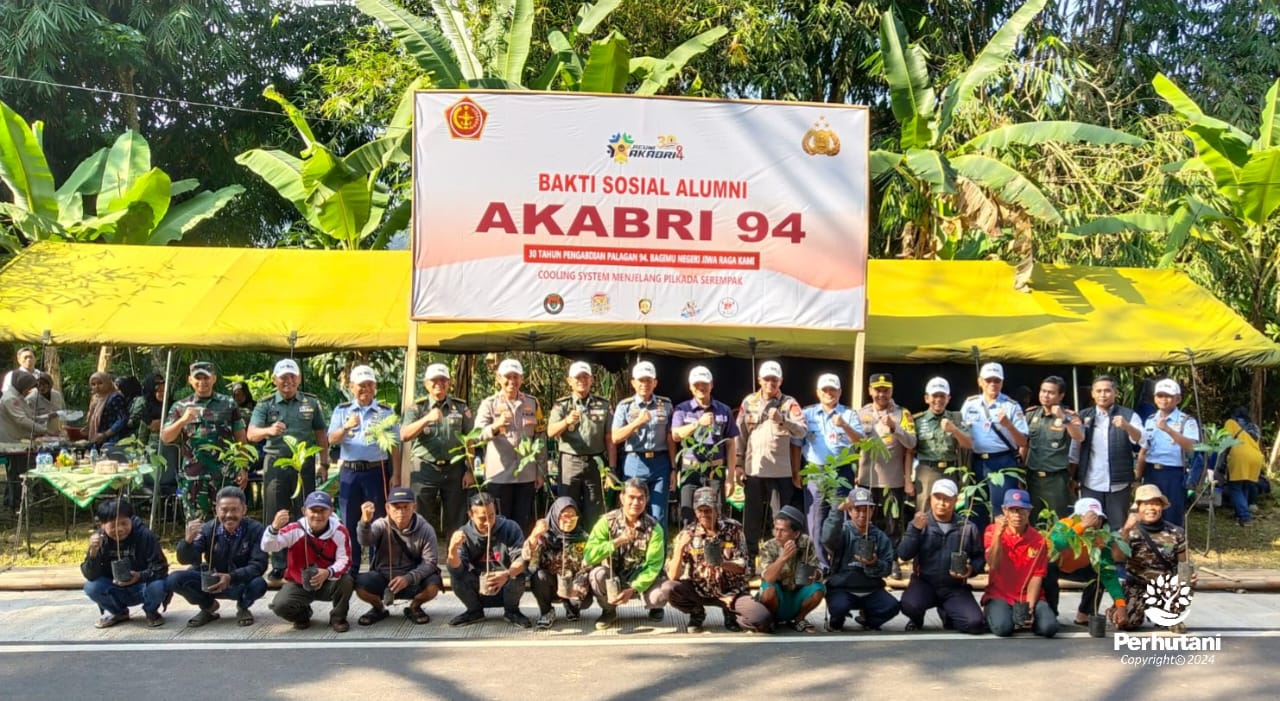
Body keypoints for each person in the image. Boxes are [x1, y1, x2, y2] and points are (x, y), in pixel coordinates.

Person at [248, 358, 331, 584]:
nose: (288, 381)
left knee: (306, 511)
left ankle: (305, 560)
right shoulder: (265, 404)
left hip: (303, 463)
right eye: (283, 377)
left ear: (299, 379)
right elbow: (251, 434)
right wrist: (269, 430)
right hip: (276, 463)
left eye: (292, 377)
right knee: (277, 512)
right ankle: (279, 564)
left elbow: (320, 433)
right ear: (275, 380)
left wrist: (324, 463)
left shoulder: (310, 402)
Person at [662, 486, 769, 633]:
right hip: (700, 589)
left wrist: (721, 563)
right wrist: (680, 547)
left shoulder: (734, 529)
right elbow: (673, 576)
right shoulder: (688, 533)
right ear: (695, 511)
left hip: (732, 591)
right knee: (668, 588)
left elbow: (744, 567)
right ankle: (696, 612)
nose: (704, 514)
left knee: (761, 619)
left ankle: (731, 613)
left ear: (717, 509)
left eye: (708, 510)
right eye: (700, 510)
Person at [327, 364, 400, 576]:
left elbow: (395, 445)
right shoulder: (342, 410)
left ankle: (378, 568)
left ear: (375, 387)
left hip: (377, 472)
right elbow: (331, 439)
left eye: (369, 384)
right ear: (351, 387)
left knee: (378, 521)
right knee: (349, 520)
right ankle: (352, 568)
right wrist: (346, 427)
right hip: (350, 472)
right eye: (361, 385)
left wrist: (396, 474)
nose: (365, 389)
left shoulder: (385, 412)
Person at [736, 360, 807, 565]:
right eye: (767, 379)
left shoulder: (789, 403)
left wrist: (783, 420)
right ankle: (749, 559)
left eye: (774, 379)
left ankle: (779, 561)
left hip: (780, 472)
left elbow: (802, 430)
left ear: (781, 380)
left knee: (781, 520)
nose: (770, 383)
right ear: (759, 379)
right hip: (754, 469)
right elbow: (740, 434)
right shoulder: (749, 402)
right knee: (752, 518)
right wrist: (738, 464)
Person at [161, 361, 249, 521]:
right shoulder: (180, 406)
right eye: (198, 378)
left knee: (227, 522)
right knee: (196, 525)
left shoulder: (228, 404)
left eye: (206, 378)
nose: (202, 382)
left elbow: (241, 438)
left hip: (223, 475)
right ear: (190, 380)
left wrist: (242, 467)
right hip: (193, 476)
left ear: (214, 379)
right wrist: (183, 420)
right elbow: (166, 437)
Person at [169, 486, 268, 627]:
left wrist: (231, 577)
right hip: (211, 581)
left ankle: (243, 606)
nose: (229, 515)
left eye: (234, 510)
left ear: (244, 510)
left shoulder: (256, 529)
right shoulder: (207, 529)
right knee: (174, 579)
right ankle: (208, 607)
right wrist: (187, 542)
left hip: (239, 581)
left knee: (259, 584)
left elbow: (259, 565)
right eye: (224, 510)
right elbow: (187, 559)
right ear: (216, 510)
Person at [897, 479, 986, 634]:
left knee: (975, 624)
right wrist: (915, 531)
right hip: (925, 584)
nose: (941, 503)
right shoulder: (920, 523)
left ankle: (948, 612)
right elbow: (904, 554)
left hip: (955, 587)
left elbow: (979, 558)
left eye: (947, 499)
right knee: (909, 605)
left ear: (955, 500)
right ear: (931, 498)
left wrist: (970, 569)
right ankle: (917, 618)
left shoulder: (967, 527)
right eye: (937, 498)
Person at [261, 491, 355, 632]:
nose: (317, 515)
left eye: (322, 510)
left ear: (331, 511)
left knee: (346, 581)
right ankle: (302, 615)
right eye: (313, 510)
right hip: (299, 582)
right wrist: (274, 528)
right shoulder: (294, 529)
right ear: (304, 511)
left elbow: (345, 560)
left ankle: (338, 618)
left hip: (328, 581)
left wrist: (328, 572)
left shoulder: (340, 531)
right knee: (280, 605)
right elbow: (268, 547)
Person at [401, 362, 474, 539]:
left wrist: (470, 470)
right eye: (434, 380)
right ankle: (419, 553)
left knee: (457, 519)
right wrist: (426, 419)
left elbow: (470, 440)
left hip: (454, 470)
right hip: (424, 469)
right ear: (426, 383)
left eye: (443, 380)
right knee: (419, 517)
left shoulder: (461, 407)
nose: (439, 384)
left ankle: (455, 554)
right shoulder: (417, 408)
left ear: (449, 383)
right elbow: (404, 435)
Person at [584, 477, 669, 629]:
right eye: (631, 497)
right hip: (614, 577)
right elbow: (589, 556)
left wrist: (634, 588)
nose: (636, 502)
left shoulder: (655, 528)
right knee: (597, 575)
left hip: (641, 578)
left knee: (660, 593)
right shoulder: (606, 522)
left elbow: (654, 566)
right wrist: (617, 542)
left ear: (646, 500)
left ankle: (655, 607)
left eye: (641, 498)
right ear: (622, 498)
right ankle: (608, 610)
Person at [797, 373, 862, 571]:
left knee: (840, 517)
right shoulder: (807, 414)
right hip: (815, 471)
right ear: (818, 392)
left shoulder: (849, 414)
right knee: (815, 519)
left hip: (841, 471)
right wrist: (796, 471)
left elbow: (860, 442)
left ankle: (840, 563)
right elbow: (796, 443)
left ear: (840, 392)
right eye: (825, 390)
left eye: (833, 389)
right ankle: (820, 565)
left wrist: (844, 425)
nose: (829, 393)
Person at [354, 486, 442, 626]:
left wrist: (408, 578)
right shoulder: (381, 524)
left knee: (434, 584)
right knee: (360, 584)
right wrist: (365, 523)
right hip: (383, 577)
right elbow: (365, 541)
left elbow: (430, 562)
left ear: (414, 507)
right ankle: (378, 608)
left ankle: (415, 606)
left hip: (413, 578)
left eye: (406, 507)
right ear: (387, 508)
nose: (401, 512)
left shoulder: (426, 529)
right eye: (396, 507)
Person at [475, 357, 545, 533]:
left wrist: (540, 471)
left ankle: (520, 551)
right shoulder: (489, 404)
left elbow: (540, 437)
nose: (511, 381)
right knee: (499, 523)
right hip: (499, 475)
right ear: (498, 378)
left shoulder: (533, 403)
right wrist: (495, 426)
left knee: (523, 523)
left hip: (526, 475)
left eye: (516, 376)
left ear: (522, 379)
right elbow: (476, 435)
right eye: (507, 376)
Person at [1113, 484, 1195, 632]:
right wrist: (1126, 529)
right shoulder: (1128, 531)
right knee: (1127, 624)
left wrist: (1188, 579)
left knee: (1186, 581)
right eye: (1145, 504)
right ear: (1138, 508)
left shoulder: (1176, 532)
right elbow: (1117, 558)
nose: (1151, 508)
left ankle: (1170, 614)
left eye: (1156, 503)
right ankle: (1118, 610)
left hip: (1164, 587)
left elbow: (1184, 562)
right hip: (1136, 586)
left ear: (1162, 507)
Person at [855, 372, 917, 567]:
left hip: (893, 480)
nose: (881, 394)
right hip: (866, 479)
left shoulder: (902, 414)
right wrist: (855, 474)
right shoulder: (861, 413)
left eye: (886, 390)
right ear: (870, 390)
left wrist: (895, 427)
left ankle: (891, 561)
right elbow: (852, 446)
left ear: (891, 391)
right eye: (878, 390)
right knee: (867, 522)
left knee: (893, 523)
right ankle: (867, 559)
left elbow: (912, 443)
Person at [445, 491, 531, 628]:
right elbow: (457, 569)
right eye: (482, 518)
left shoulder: (510, 528)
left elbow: (522, 558)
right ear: (470, 515)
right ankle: (474, 611)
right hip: (478, 586)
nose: (488, 523)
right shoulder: (464, 533)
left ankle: (512, 611)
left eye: (491, 515)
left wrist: (507, 574)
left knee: (518, 573)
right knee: (456, 577)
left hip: (506, 584)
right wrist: (452, 549)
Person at [959, 362, 1028, 531]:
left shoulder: (1011, 406)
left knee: (1002, 510)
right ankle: (978, 546)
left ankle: (1002, 545)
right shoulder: (970, 404)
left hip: (1002, 461)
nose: (992, 384)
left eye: (996, 380)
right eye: (988, 380)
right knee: (975, 509)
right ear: (980, 381)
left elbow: (1023, 442)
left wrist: (1009, 425)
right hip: (976, 462)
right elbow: (961, 433)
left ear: (1002, 383)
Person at [1069, 375, 1143, 530]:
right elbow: (1075, 448)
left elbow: (1141, 440)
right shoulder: (1083, 416)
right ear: (1092, 394)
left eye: (1107, 391)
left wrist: (1127, 426)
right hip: (1090, 481)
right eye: (1099, 391)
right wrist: (1073, 476)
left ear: (1115, 393)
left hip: (1118, 483)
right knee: (1090, 527)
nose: (1103, 394)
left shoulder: (1128, 415)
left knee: (1118, 528)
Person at [81, 499, 169, 628]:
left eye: (124, 523)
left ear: (131, 519)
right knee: (91, 587)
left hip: (143, 586)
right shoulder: (99, 540)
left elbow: (161, 567)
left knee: (159, 585)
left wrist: (139, 576)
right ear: (102, 525)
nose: (120, 529)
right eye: (113, 526)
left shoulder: (144, 535)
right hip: (115, 587)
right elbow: (90, 575)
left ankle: (151, 611)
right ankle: (119, 613)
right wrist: (93, 553)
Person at [822, 487, 900, 631]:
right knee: (839, 607)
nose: (862, 515)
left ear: (873, 511)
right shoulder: (843, 532)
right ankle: (836, 620)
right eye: (857, 510)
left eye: (867, 510)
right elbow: (827, 539)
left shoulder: (880, 536)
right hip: (843, 588)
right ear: (849, 511)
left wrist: (874, 564)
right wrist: (837, 512)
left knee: (892, 607)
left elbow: (887, 568)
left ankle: (869, 620)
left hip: (871, 589)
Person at [548, 361, 615, 527]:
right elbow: (551, 432)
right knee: (567, 506)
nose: (582, 380)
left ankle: (593, 540)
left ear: (592, 380)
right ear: (569, 381)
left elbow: (609, 438)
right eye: (577, 377)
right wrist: (566, 421)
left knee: (596, 508)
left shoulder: (604, 404)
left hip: (596, 462)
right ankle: (568, 541)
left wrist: (612, 469)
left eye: (585, 377)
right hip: (570, 462)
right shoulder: (562, 405)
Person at [982, 489, 1056, 638]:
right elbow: (992, 562)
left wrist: (1029, 607)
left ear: (1029, 511)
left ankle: (1034, 618)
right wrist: (998, 534)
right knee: (1003, 629)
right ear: (1004, 510)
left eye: (1022, 510)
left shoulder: (1038, 540)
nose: (1017, 515)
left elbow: (1037, 576)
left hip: (1026, 596)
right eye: (1013, 510)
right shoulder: (991, 531)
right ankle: (994, 613)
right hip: (1000, 594)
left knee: (1049, 628)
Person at [671, 365, 739, 527]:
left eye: (705, 384)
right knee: (689, 517)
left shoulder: (724, 410)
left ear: (712, 385)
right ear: (690, 387)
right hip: (691, 471)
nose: (701, 387)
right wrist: (697, 424)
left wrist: (730, 477)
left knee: (717, 517)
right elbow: (676, 435)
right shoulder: (682, 409)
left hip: (715, 471)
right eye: (697, 384)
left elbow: (731, 445)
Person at [612, 360, 675, 525]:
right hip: (635, 462)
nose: (644, 384)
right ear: (633, 382)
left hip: (660, 463)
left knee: (659, 514)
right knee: (632, 510)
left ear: (655, 383)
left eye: (648, 380)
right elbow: (615, 437)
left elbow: (670, 438)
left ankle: (658, 542)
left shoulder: (666, 404)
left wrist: (673, 468)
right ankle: (631, 541)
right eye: (641, 380)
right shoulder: (625, 406)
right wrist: (637, 422)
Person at [1043, 497, 1124, 625]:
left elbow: (1108, 573)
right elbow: (1057, 544)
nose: (1096, 522)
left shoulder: (1100, 538)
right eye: (1092, 517)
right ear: (1079, 517)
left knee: (1099, 574)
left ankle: (1085, 614)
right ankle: (1051, 614)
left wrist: (1121, 605)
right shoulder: (1064, 524)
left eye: (1099, 518)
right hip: (1055, 566)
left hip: (1079, 569)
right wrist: (1082, 526)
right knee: (1048, 568)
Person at [1135, 379, 1199, 528]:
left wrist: (1168, 430)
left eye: (1168, 396)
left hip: (1173, 473)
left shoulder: (1186, 421)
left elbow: (1192, 447)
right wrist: (1138, 476)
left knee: (1172, 513)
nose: (1163, 399)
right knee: (1149, 512)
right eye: (1160, 395)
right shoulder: (1150, 420)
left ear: (1178, 399)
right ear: (1154, 398)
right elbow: (1144, 449)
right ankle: (1152, 541)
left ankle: (1173, 541)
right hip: (1151, 472)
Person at [525, 496, 593, 628]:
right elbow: (529, 559)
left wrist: (577, 588)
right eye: (565, 516)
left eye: (573, 517)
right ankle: (546, 611)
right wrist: (534, 535)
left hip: (573, 584)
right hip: (551, 584)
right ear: (555, 515)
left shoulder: (583, 538)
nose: (569, 521)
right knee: (539, 576)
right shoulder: (544, 536)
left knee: (579, 602)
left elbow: (587, 567)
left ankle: (571, 607)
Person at [1024, 376, 1084, 518]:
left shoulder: (1069, 416)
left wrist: (1064, 418)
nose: (1045, 395)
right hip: (1032, 476)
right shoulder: (1031, 414)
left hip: (1056, 478)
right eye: (1043, 391)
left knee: (1058, 520)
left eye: (1051, 392)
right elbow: (1024, 445)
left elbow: (1079, 437)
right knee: (1032, 519)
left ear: (1061, 396)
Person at [758, 504, 825, 633]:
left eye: (783, 530)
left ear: (796, 533)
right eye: (776, 529)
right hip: (778, 594)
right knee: (769, 589)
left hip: (797, 592)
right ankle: (770, 619)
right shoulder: (768, 546)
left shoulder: (806, 543)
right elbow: (768, 578)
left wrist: (815, 574)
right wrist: (783, 558)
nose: (778, 534)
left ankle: (799, 619)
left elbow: (817, 570)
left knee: (818, 588)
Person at [912, 377, 972, 507]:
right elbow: (909, 450)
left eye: (942, 396)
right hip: (927, 471)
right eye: (935, 396)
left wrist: (954, 430)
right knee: (924, 510)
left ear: (948, 398)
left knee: (949, 509)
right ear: (927, 398)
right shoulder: (917, 420)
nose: (938, 399)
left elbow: (968, 444)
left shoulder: (956, 418)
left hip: (950, 470)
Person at [1, 371, 52, 508]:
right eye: (28, 387)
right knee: (16, 472)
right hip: (10, 442)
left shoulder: (18, 397)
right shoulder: (10, 398)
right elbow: (21, 419)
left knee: (19, 470)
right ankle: (15, 502)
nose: (29, 390)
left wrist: (46, 417)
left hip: (19, 440)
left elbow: (29, 416)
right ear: (21, 384)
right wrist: (43, 430)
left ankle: (13, 500)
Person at [1222, 407, 1264, 527]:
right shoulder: (1253, 427)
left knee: (1235, 487)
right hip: (1256, 457)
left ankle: (1245, 517)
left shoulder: (1231, 423)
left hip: (1240, 456)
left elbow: (1226, 440)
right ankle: (1239, 512)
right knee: (1244, 485)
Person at [87, 371, 131, 449]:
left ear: (107, 383)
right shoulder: (97, 399)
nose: (97, 387)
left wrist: (105, 434)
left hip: (113, 440)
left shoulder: (115, 397)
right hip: (98, 439)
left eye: (100, 383)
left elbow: (122, 419)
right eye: (93, 384)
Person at [128, 373, 166, 447]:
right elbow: (142, 438)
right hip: (153, 449)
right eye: (158, 390)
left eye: (164, 390)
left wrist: (164, 422)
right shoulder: (147, 408)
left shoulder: (174, 406)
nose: (163, 393)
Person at [26, 372, 65, 436]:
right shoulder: (31, 399)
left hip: (57, 432)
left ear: (50, 385)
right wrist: (47, 416)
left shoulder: (57, 395)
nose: (41, 387)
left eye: (43, 384)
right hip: (39, 434)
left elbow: (63, 411)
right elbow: (29, 419)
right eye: (38, 385)